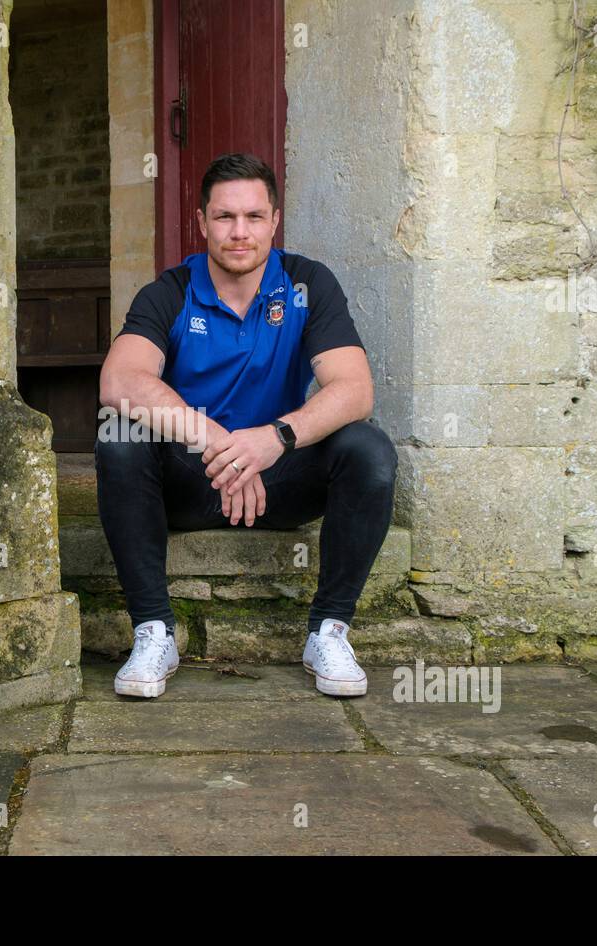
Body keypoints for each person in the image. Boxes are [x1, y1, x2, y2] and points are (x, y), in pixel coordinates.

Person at [95, 152, 398, 699]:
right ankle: (154, 632)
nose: (239, 232)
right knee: (119, 437)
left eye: (254, 217)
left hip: (279, 480)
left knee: (368, 448)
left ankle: (328, 631)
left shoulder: (307, 284)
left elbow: (355, 391)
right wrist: (224, 444)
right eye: (225, 217)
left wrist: (273, 439)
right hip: (191, 481)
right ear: (202, 221)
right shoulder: (169, 291)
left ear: (275, 220)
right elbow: (120, 381)